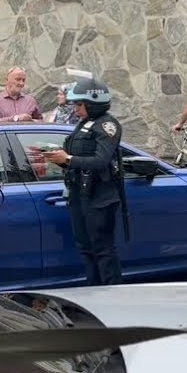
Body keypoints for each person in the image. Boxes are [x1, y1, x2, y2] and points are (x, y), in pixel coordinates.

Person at [43, 78, 128, 286]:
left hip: (100, 196)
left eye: (80, 105)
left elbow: (101, 160)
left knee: (103, 250)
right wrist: (59, 159)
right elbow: (76, 158)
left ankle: (113, 296)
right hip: (79, 194)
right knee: (86, 248)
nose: (76, 109)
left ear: (94, 102)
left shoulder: (107, 125)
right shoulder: (82, 125)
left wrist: (69, 159)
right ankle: (93, 294)